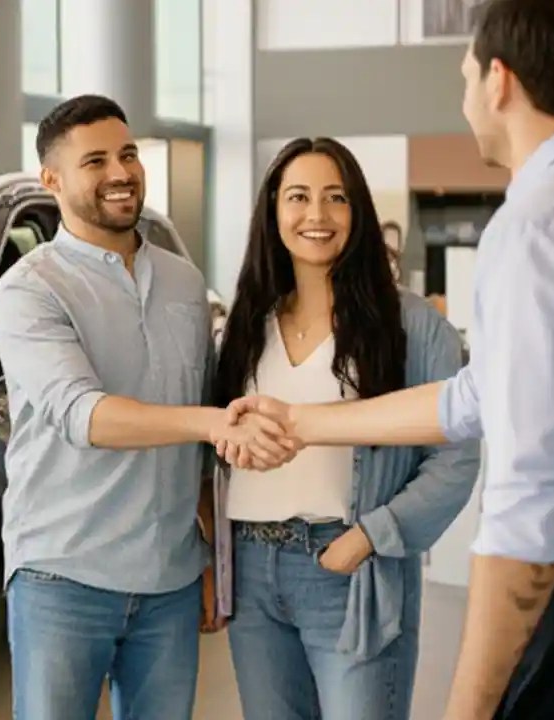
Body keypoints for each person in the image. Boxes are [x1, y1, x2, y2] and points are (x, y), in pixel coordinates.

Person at [221, 1, 554, 717]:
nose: (466, 93)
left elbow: (529, 498)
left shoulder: (536, 225)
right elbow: (468, 399)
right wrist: (301, 421)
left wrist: (468, 706)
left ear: (500, 81)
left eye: (466, 73)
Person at [0, 94, 290, 720]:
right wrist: (210, 424)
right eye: (95, 160)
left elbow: (199, 423)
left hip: (170, 581)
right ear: (53, 180)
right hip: (61, 576)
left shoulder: (183, 281)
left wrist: (210, 551)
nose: (121, 172)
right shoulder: (29, 290)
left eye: (128, 154)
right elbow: (85, 415)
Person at [210, 137, 480, 720]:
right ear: (273, 210)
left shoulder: (409, 323)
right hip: (253, 572)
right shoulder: (246, 323)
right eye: (299, 197)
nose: (316, 215)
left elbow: (456, 454)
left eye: (336, 198)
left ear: (357, 212)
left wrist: (372, 536)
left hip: (350, 567)